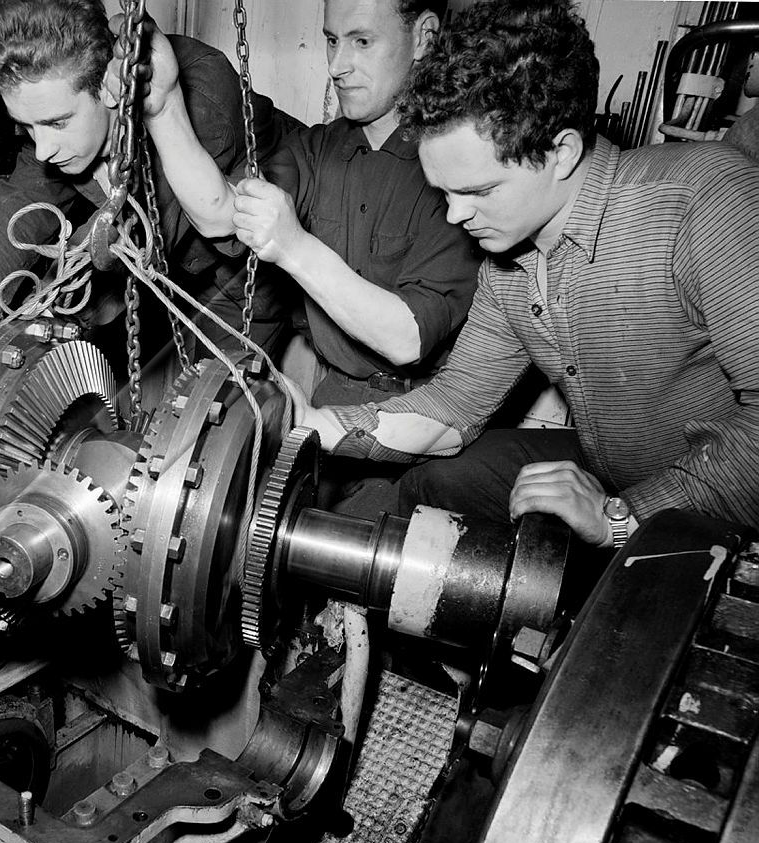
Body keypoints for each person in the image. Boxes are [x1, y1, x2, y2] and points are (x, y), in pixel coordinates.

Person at [292, 0, 759, 546]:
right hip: (608, 462)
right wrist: (319, 426)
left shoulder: (706, 202)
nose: (455, 215)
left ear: (561, 152)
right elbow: (455, 406)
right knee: (435, 487)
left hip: (721, 491)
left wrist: (621, 518)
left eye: (479, 191)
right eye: (444, 192)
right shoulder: (509, 262)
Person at [0, 0, 297, 373]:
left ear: (111, 93)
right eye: (28, 128)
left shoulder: (200, 96)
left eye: (56, 122)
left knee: (195, 442)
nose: (43, 148)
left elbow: (134, 242)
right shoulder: (54, 130)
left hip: (254, 275)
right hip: (183, 276)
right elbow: (18, 206)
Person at [133, 0, 479, 408]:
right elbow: (220, 214)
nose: (336, 66)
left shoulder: (459, 164)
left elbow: (407, 339)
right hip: (330, 396)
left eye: (362, 41)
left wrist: (294, 245)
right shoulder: (321, 148)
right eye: (332, 41)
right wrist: (165, 104)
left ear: (424, 37)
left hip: (426, 407)